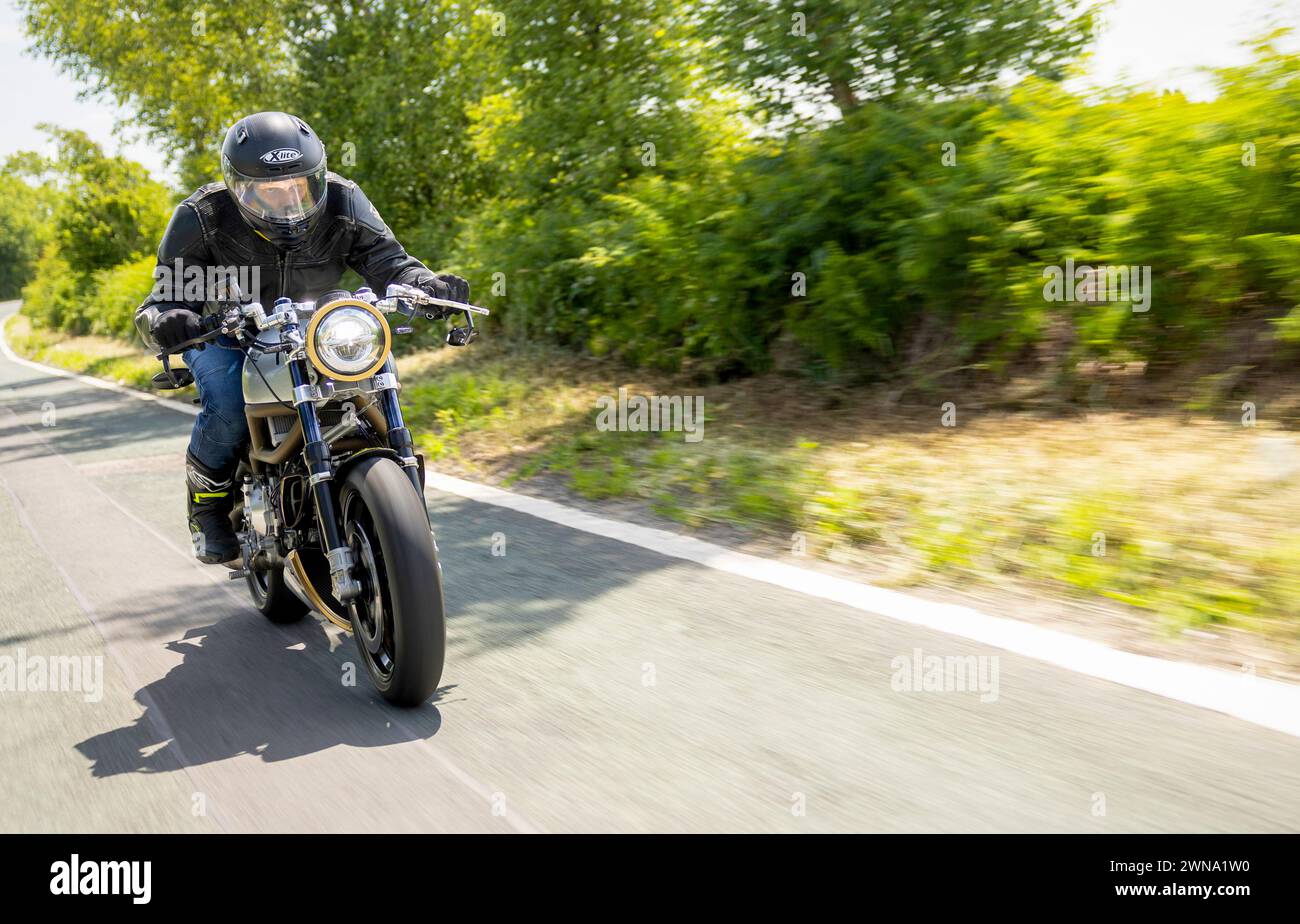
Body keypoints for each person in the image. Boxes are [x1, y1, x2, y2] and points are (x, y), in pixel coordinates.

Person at [134, 111, 468, 564]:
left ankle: (398, 518)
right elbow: (165, 295)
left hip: (321, 327)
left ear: (318, 176)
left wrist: (427, 285)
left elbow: (389, 260)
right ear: (238, 187)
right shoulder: (203, 216)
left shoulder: (343, 199)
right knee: (229, 400)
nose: (289, 202)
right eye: (271, 193)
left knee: (373, 374)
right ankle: (206, 502)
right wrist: (169, 318)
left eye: (300, 187)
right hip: (228, 331)